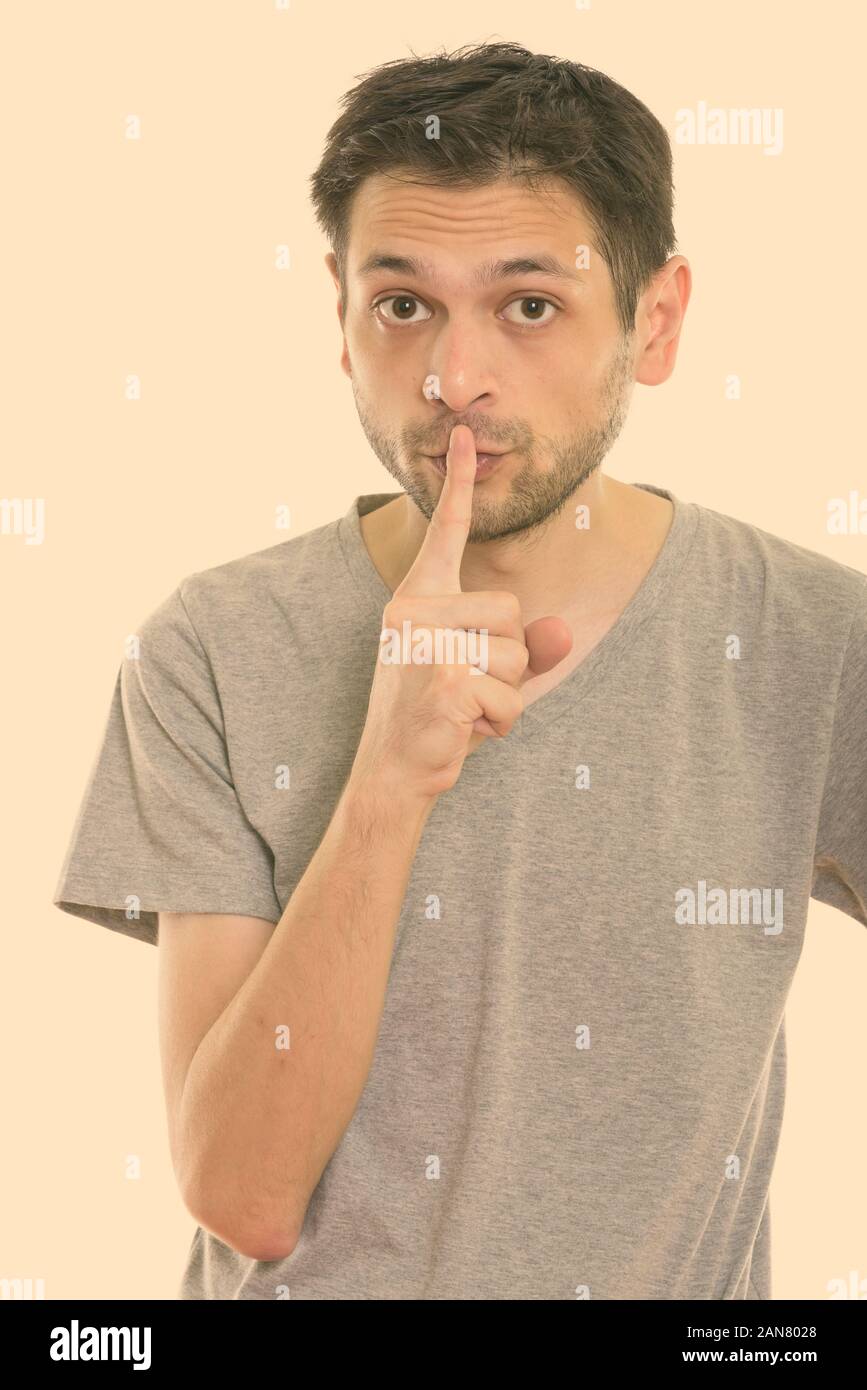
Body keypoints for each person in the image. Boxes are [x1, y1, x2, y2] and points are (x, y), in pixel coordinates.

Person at [53, 41, 866, 1301]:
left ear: (654, 321)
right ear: (339, 313)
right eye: (404, 304)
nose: (454, 380)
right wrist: (386, 781)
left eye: (529, 304)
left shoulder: (814, 641)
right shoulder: (209, 647)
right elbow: (243, 1194)